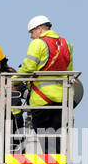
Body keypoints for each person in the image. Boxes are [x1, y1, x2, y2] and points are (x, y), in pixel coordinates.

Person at [18, 15, 73, 153]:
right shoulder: (66, 44)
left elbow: (28, 68)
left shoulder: (38, 43)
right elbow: (69, 71)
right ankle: (56, 157)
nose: (31, 36)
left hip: (41, 99)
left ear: (39, 29)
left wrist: (15, 80)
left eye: (32, 32)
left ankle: (51, 158)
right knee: (56, 132)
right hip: (61, 98)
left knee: (43, 131)